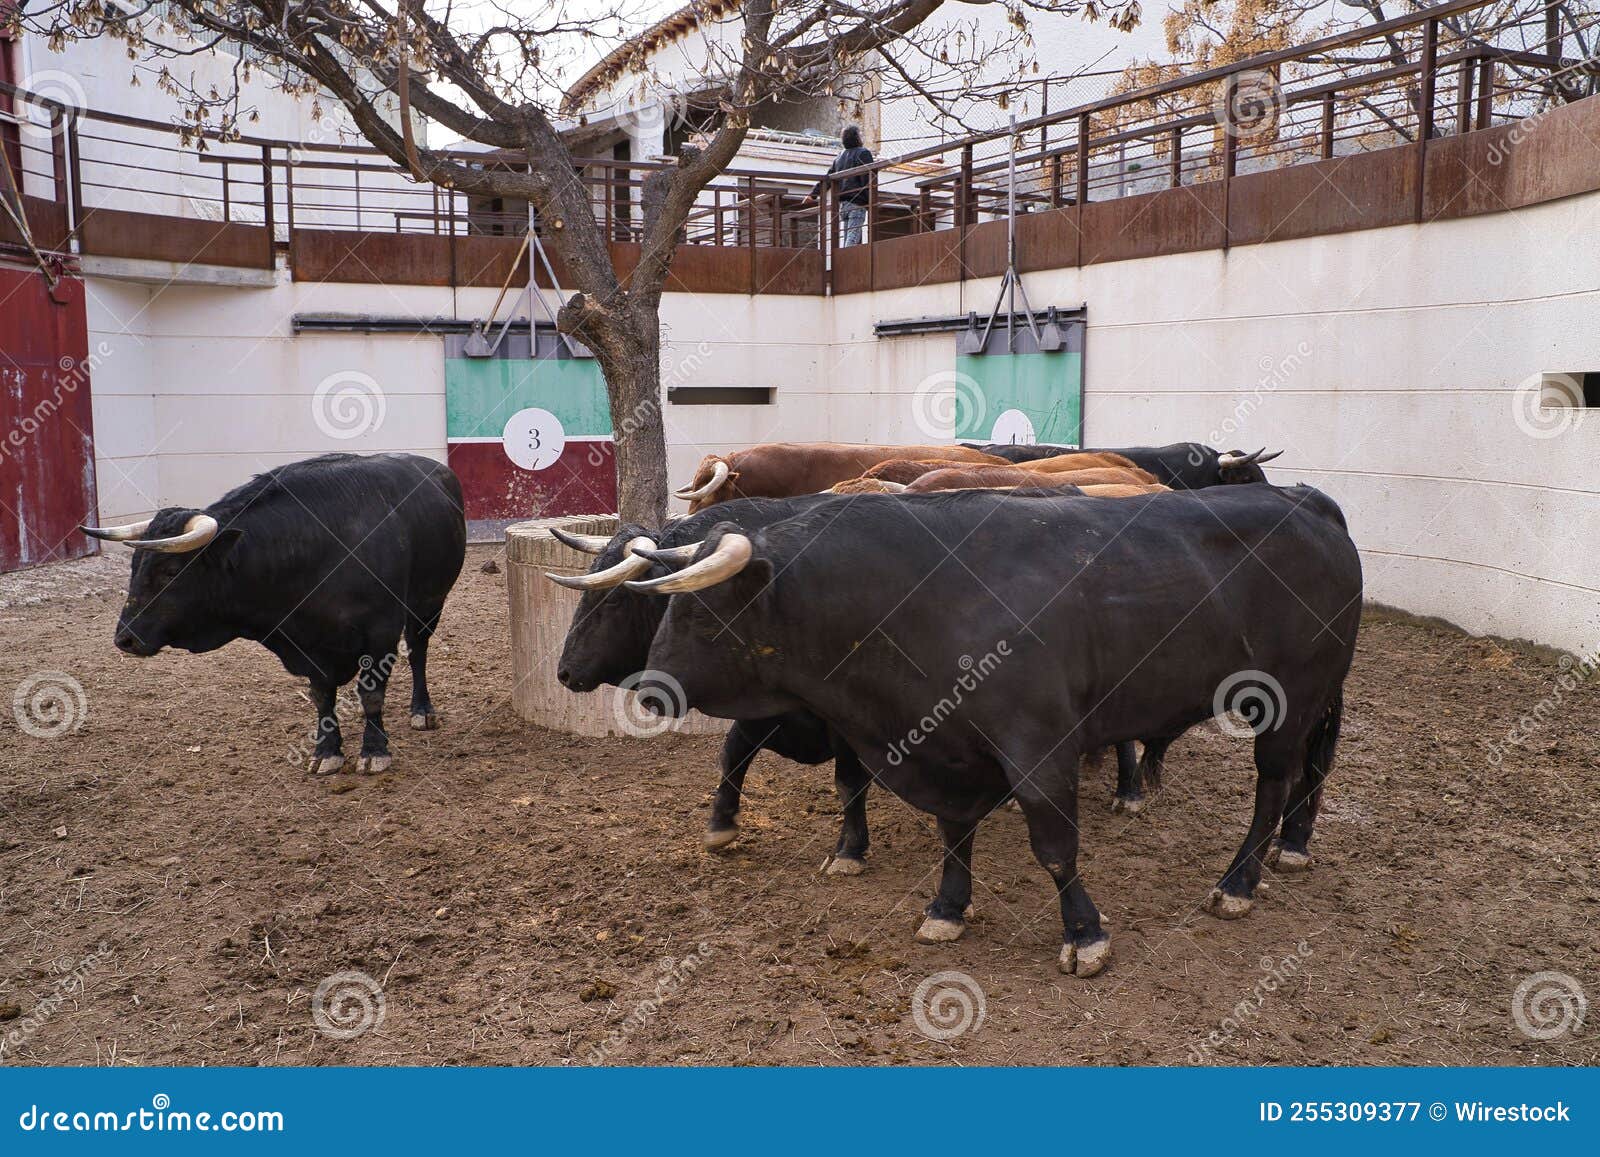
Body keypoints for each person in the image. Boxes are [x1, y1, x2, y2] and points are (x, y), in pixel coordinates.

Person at [811, 126, 874, 247]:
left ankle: (848, 259)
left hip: (843, 204)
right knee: (853, 237)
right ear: (857, 138)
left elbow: (828, 179)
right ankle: (848, 261)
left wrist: (813, 194)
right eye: (860, 134)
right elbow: (867, 180)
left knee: (849, 236)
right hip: (857, 202)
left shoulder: (839, 157)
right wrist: (869, 200)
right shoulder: (864, 153)